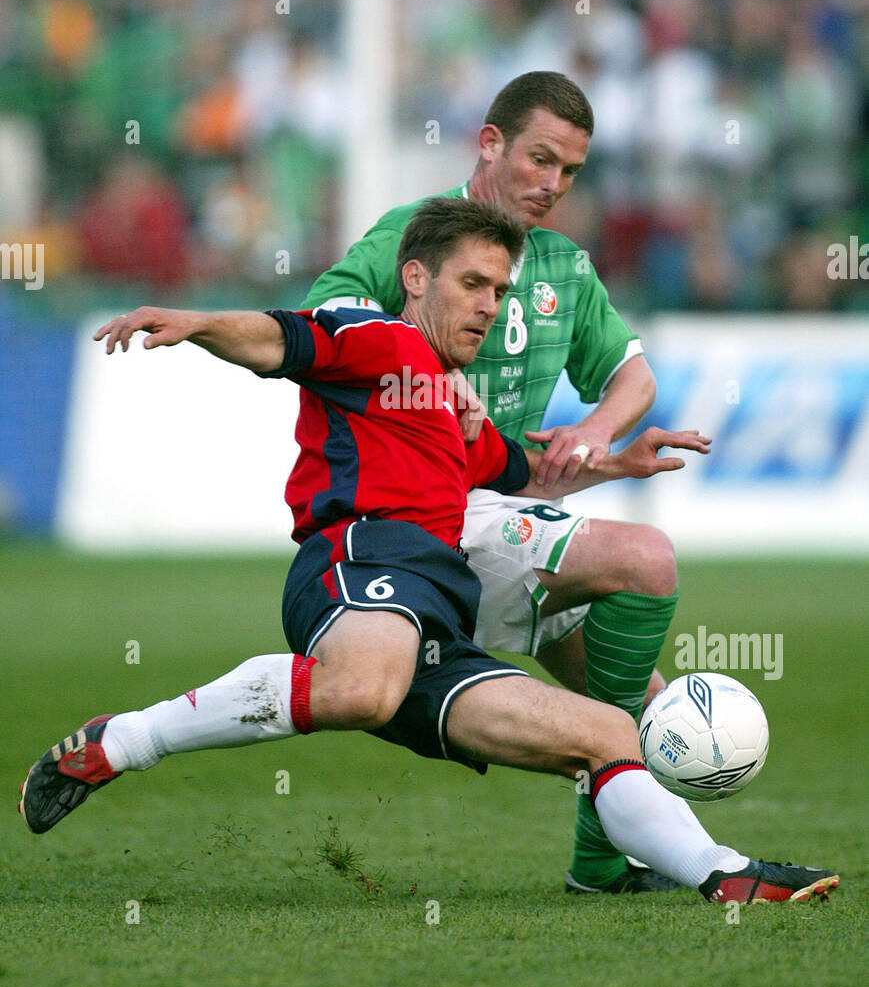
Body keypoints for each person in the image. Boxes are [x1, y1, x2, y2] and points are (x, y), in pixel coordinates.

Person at [19, 198, 837, 906]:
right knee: (365, 687)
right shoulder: (376, 336)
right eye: (471, 285)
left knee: (604, 735)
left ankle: (721, 874)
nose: (488, 305)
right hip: (360, 562)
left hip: (437, 625)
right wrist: (198, 324)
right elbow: (278, 339)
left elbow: (517, 472)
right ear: (415, 279)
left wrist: (620, 460)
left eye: (499, 290)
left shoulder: (452, 409)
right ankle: (123, 741)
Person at [302, 70, 672, 894]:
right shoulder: (414, 234)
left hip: (512, 512)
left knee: (647, 717)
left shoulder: (564, 269)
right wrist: (422, 362)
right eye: (539, 159)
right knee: (645, 564)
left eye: (570, 171)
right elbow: (324, 312)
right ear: (489, 142)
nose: (552, 184)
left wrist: (594, 431)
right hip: (425, 512)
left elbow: (633, 376)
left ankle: (600, 868)